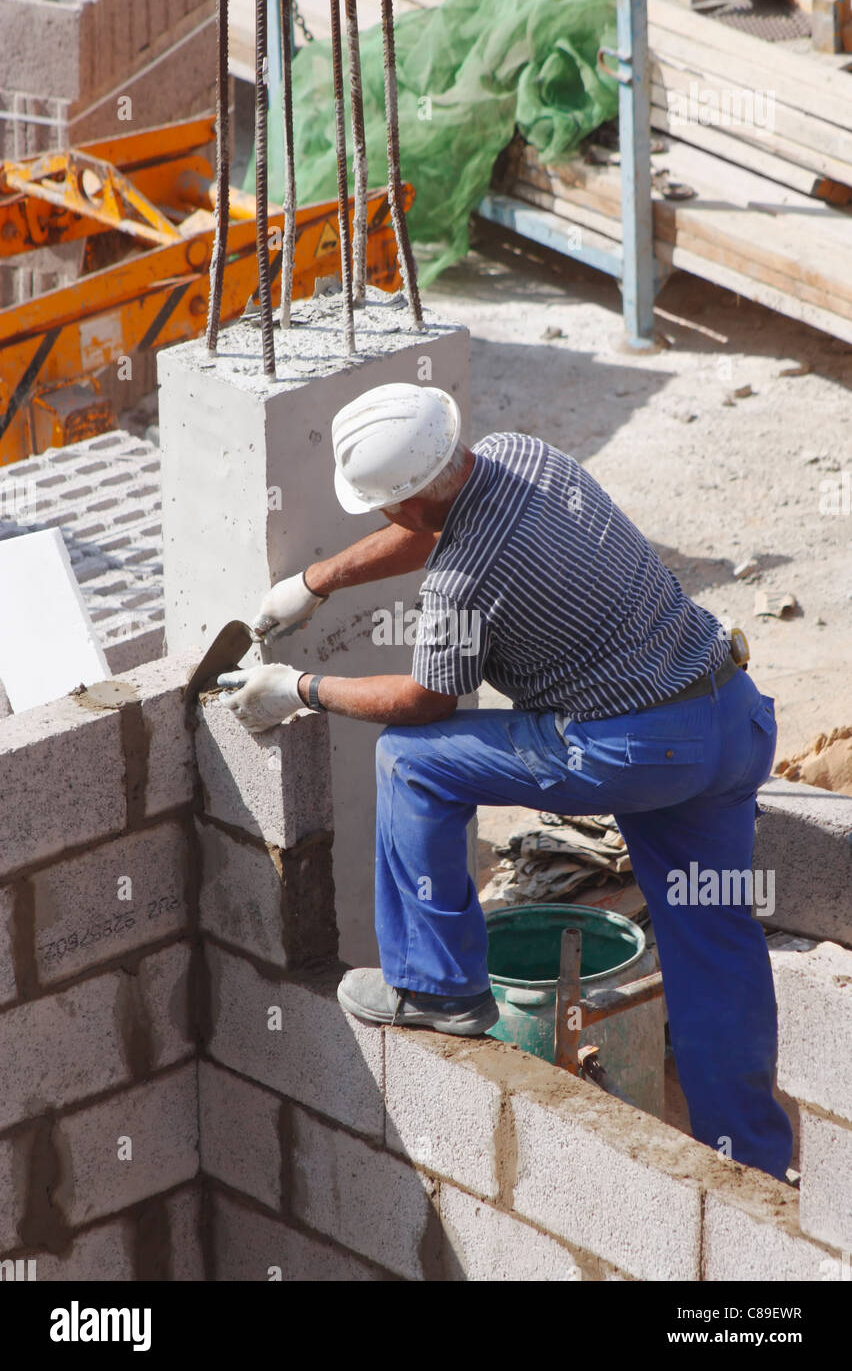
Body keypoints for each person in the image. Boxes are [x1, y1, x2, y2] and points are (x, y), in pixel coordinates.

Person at [218, 381, 793, 1181]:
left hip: (633, 752)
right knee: (712, 943)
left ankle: (437, 986)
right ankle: (752, 1165)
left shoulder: (462, 587)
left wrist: (301, 689)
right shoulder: (525, 456)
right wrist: (316, 583)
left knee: (408, 762)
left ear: (404, 502)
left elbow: (423, 702)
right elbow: (438, 527)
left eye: (385, 508)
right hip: (727, 720)